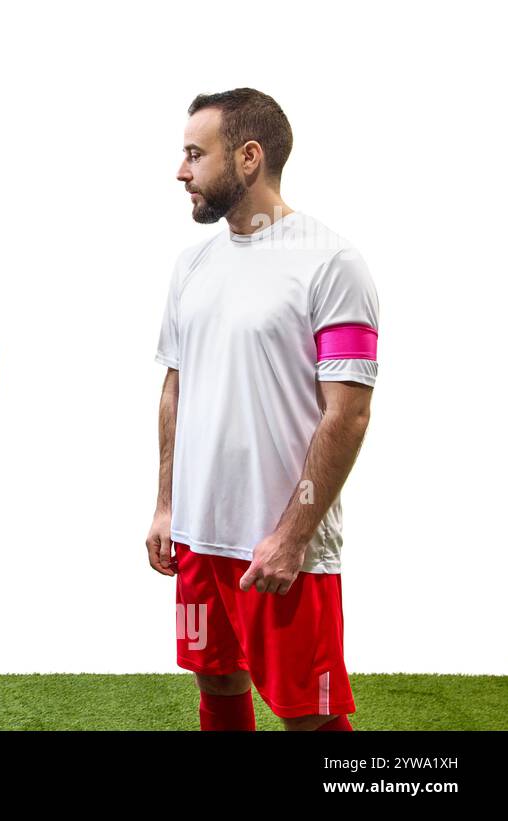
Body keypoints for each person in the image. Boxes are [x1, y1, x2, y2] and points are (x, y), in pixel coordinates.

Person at [147, 88, 378, 731]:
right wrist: (167, 504)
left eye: (196, 154)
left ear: (249, 157)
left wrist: (293, 536)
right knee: (218, 681)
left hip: (277, 543)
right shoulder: (192, 264)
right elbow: (175, 387)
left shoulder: (333, 263)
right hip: (197, 532)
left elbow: (349, 414)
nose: (181, 170)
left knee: (308, 712)